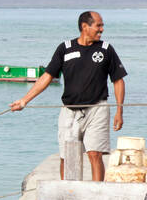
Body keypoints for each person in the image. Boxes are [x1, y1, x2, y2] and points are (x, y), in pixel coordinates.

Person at [10, 11, 126, 181]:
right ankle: (67, 193)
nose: (102, 29)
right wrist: (24, 101)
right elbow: (47, 76)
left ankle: (96, 193)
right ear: (84, 26)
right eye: (98, 25)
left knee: (95, 154)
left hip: (98, 109)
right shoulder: (65, 48)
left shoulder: (106, 49)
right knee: (67, 156)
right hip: (69, 111)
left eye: (102, 26)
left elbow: (118, 81)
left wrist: (119, 111)